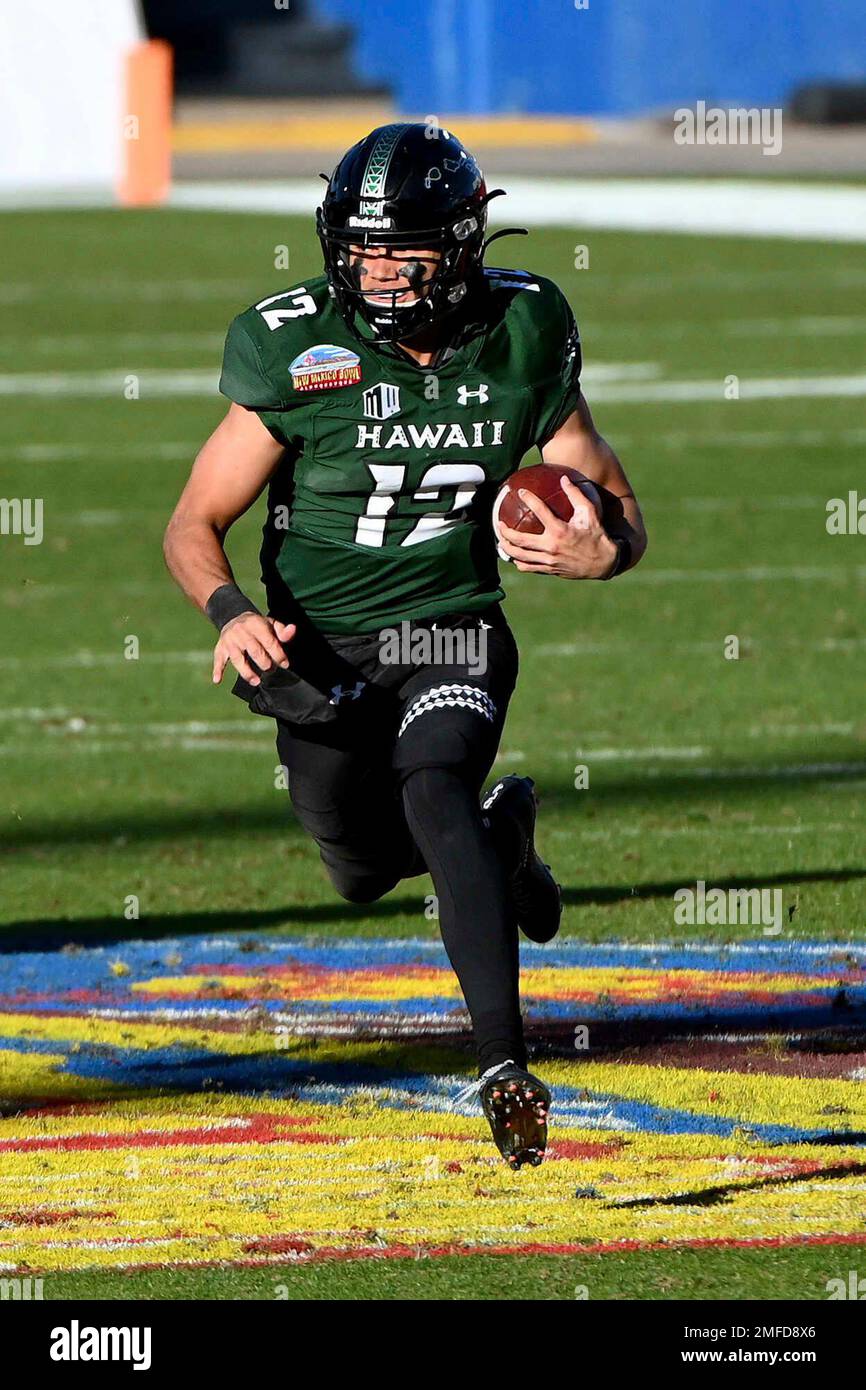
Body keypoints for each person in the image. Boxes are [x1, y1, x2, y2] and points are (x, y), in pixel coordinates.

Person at [164, 123, 647, 1168]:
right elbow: (191, 523)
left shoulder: (521, 330)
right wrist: (229, 612)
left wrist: (599, 554)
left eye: (404, 249)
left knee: (432, 792)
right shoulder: (295, 344)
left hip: (452, 626)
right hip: (319, 649)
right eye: (362, 247)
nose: (377, 269)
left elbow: (616, 504)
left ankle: (503, 1067)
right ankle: (503, 843)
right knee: (359, 867)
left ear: (461, 244)